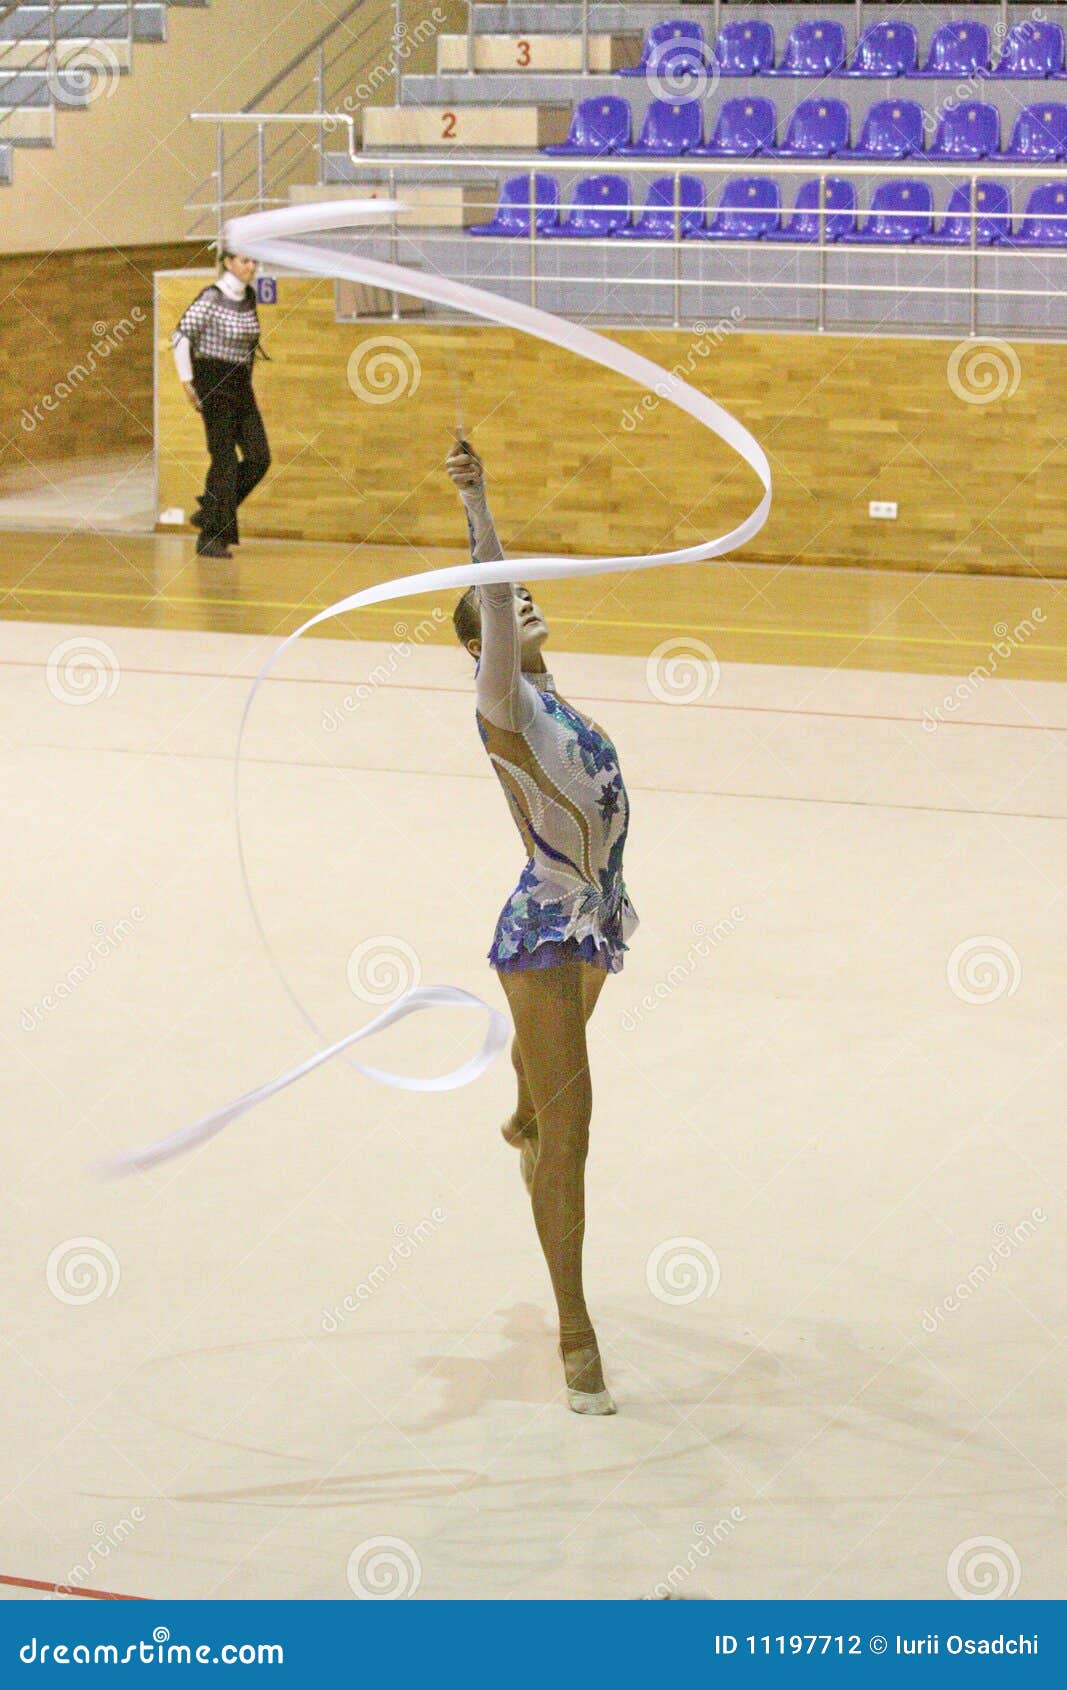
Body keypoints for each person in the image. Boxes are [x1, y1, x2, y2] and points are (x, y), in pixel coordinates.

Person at [446, 437, 639, 1416]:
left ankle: (521, 1107)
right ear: (479, 645)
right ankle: (575, 1338)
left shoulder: (549, 691)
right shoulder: (499, 699)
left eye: (523, 597)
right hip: (546, 933)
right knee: (573, 1131)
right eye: (503, 606)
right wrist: (478, 504)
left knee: (546, 1108)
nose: (518, 601)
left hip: (597, 921)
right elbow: (488, 590)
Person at [171, 250, 271, 559]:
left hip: (240, 383)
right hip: (212, 380)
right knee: (224, 459)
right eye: (244, 260)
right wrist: (187, 381)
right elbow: (181, 336)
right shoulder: (212, 297)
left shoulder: (249, 296)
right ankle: (210, 537)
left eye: (254, 261)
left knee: (259, 457)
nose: (250, 266)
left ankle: (211, 510)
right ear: (227, 262)